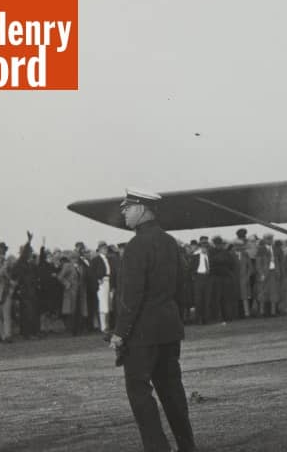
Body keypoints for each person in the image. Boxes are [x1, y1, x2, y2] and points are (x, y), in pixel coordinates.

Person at [108, 188, 196, 452]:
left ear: (142, 209)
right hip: (169, 330)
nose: (124, 212)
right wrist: (174, 319)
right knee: (172, 391)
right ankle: (187, 446)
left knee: (138, 390)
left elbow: (131, 295)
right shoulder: (170, 242)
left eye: (128, 207)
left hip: (142, 334)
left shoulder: (136, 246)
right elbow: (182, 287)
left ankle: (157, 448)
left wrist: (120, 332)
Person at [58, 251, 88, 336]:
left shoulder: (80, 266)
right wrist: (67, 283)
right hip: (71, 291)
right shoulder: (67, 266)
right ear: (70, 259)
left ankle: (78, 329)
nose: (75, 259)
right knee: (72, 311)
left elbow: (83, 278)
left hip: (80, 291)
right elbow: (60, 276)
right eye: (73, 258)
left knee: (79, 310)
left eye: (76, 258)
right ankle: (71, 330)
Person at [93, 243, 117, 335]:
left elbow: (113, 272)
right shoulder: (96, 260)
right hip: (102, 283)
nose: (105, 250)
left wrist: (113, 285)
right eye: (103, 248)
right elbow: (92, 272)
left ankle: (108, 325)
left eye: (106, 248)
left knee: (109, 304)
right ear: (99, 249)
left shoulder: (109, 259)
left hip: (109, 282)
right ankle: (103, 327)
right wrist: (97, 280)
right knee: (103, 305)